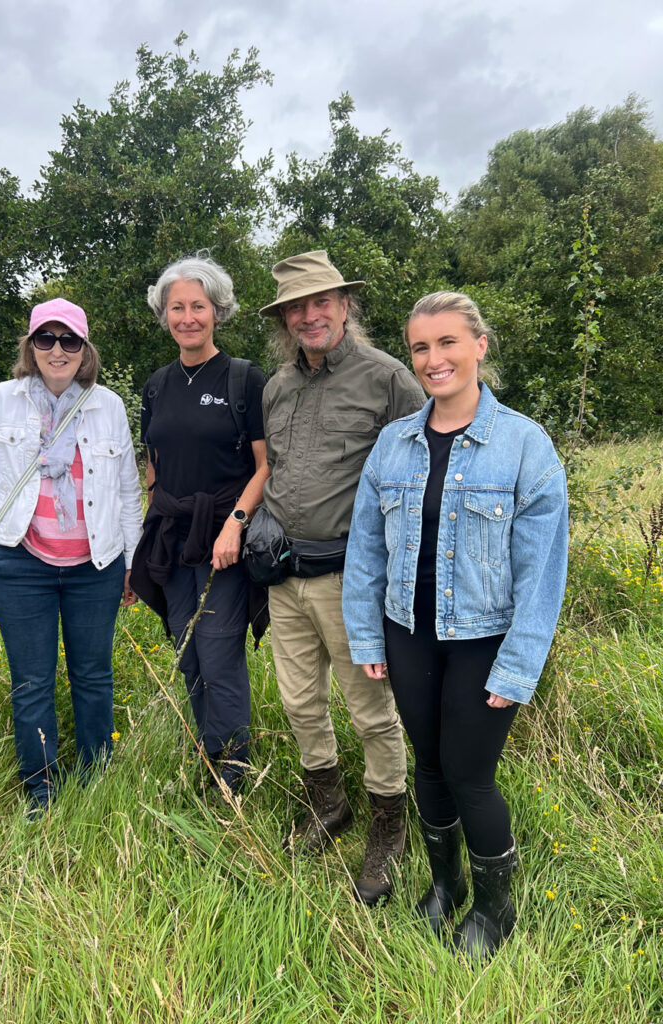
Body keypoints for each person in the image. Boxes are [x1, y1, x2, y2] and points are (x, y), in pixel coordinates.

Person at [343, 291, 569, 957]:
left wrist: (520, 664)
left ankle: (495, 910)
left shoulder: (525, 446)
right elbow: (366, 549)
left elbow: (542, 571)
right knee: (430, 768)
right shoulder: (393, 445)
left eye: (447, 343)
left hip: (485, 640)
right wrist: (366, 633)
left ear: (479, 346)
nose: (434, 359)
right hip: (407, 634)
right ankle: (446, 886)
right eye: (420, 347)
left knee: (470, 774)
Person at [258, 250, 424, 904]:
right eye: (296, 307)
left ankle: (389, 821)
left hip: (354, 582)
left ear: (344, 304)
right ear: (285, 321)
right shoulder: (276, 387)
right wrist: (261, 517)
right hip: (283, 577)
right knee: (299, 702)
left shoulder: (388, 381)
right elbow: (271, 466)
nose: (309, 315)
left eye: (319, 301)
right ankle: (328, 804)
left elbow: (419, 477)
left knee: (370, 710)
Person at [0, 298, 143, 815]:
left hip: (95, 565)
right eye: (46, 339)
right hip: (21, 564)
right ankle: (40, 788)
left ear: (85, 351)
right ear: (31, 347)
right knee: (32, 680)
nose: (57, 351)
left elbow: (129, 492)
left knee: (93, 675)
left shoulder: (109, 406)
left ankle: (95, 775)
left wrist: (132, 562)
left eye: (69, 341)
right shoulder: (2, 400)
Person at [131, 255, 268, 797]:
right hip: (171, 537)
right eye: (177, 307)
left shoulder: (243, 379)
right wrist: (150, 520)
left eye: (198, 306)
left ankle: (233, 772)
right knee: (187, 652)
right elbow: (153, 463)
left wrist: (235, 524)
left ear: (218, 310)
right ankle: (208, 754)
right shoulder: (157, 385)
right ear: (164, 315)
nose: (188, 317)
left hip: (223, 542)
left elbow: (264, 466)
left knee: (218, 651)